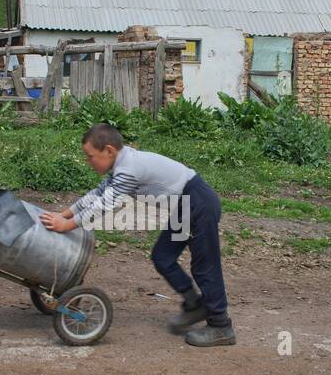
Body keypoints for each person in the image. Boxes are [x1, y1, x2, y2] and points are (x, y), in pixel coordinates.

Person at [40, 123, 236, 347]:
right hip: (184, 206)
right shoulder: (121, 165)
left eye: (90, 156)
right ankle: (195, 305)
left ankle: (221, 326)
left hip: (197, 203)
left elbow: (104, 205)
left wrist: (67, 225)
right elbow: (97, 194)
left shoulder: (129, 169)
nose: (88, 161)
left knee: (205, 266)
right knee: (163, 257)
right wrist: (62, 215)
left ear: (109, 150)